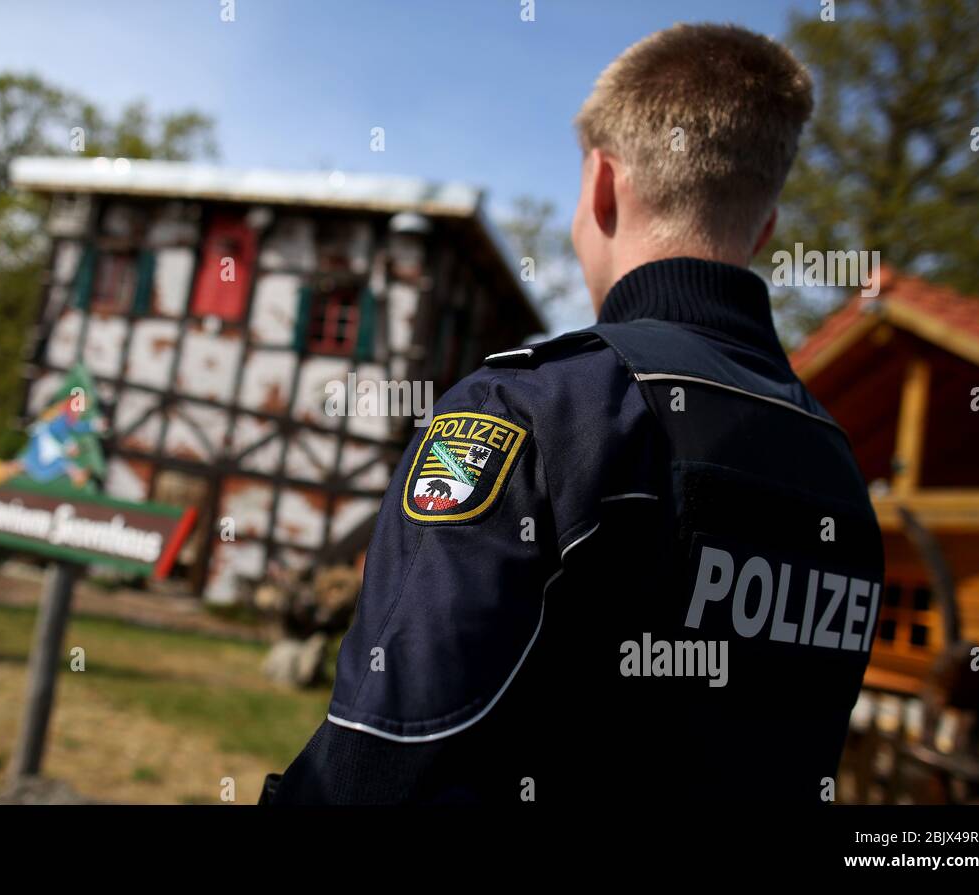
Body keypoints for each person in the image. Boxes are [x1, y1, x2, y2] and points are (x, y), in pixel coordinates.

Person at [264, 22, 884, 804]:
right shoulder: (841, 470)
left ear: (600, 185)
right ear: (763, 231)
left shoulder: (527, 413)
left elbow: (377, 770)